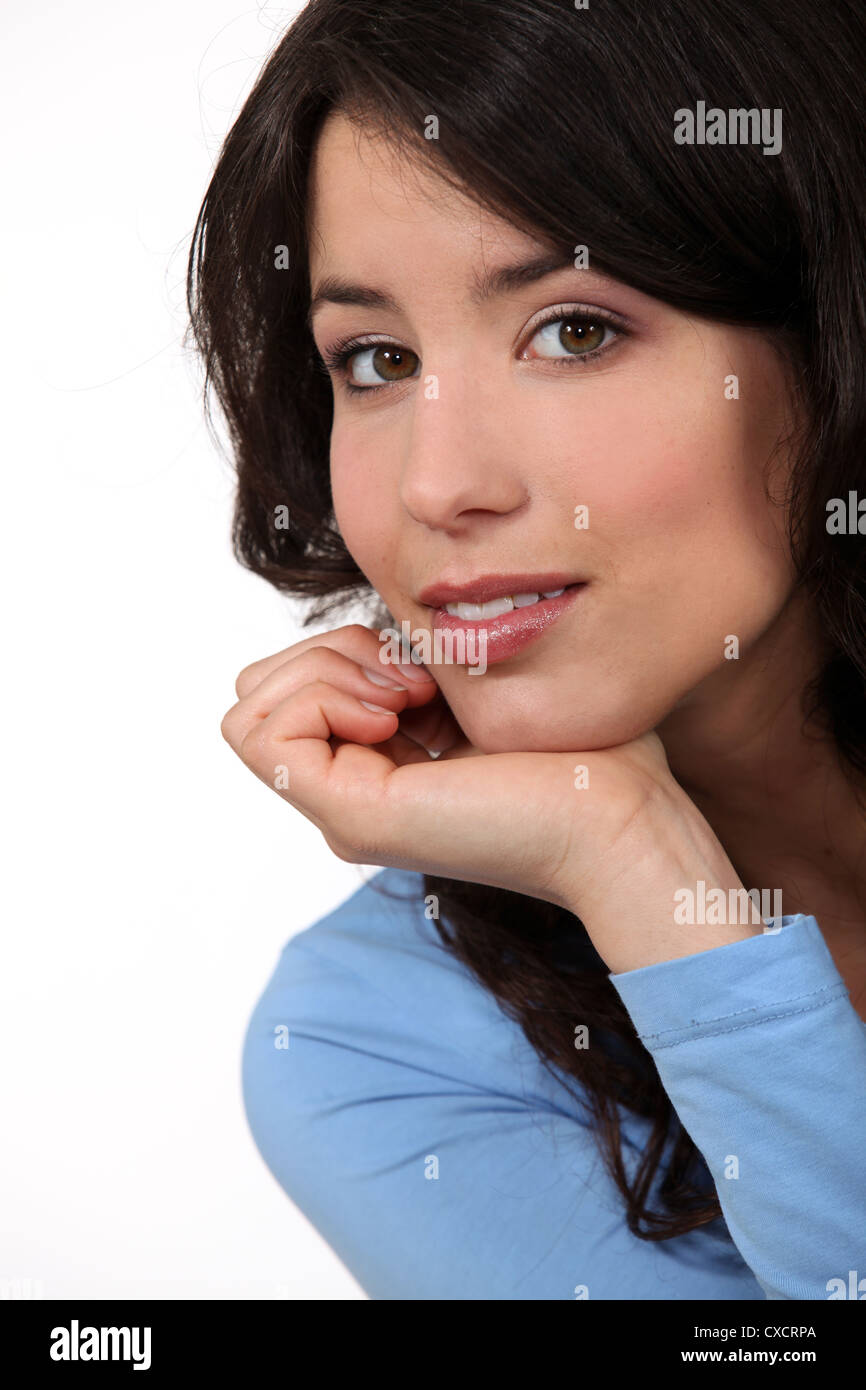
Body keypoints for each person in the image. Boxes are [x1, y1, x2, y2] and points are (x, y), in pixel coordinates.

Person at [187, 0, 866, 1299]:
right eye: (376, 359)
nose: (438, 485)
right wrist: (626, 854)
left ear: (826, 339)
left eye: (572, 329)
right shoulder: (368, 1045)